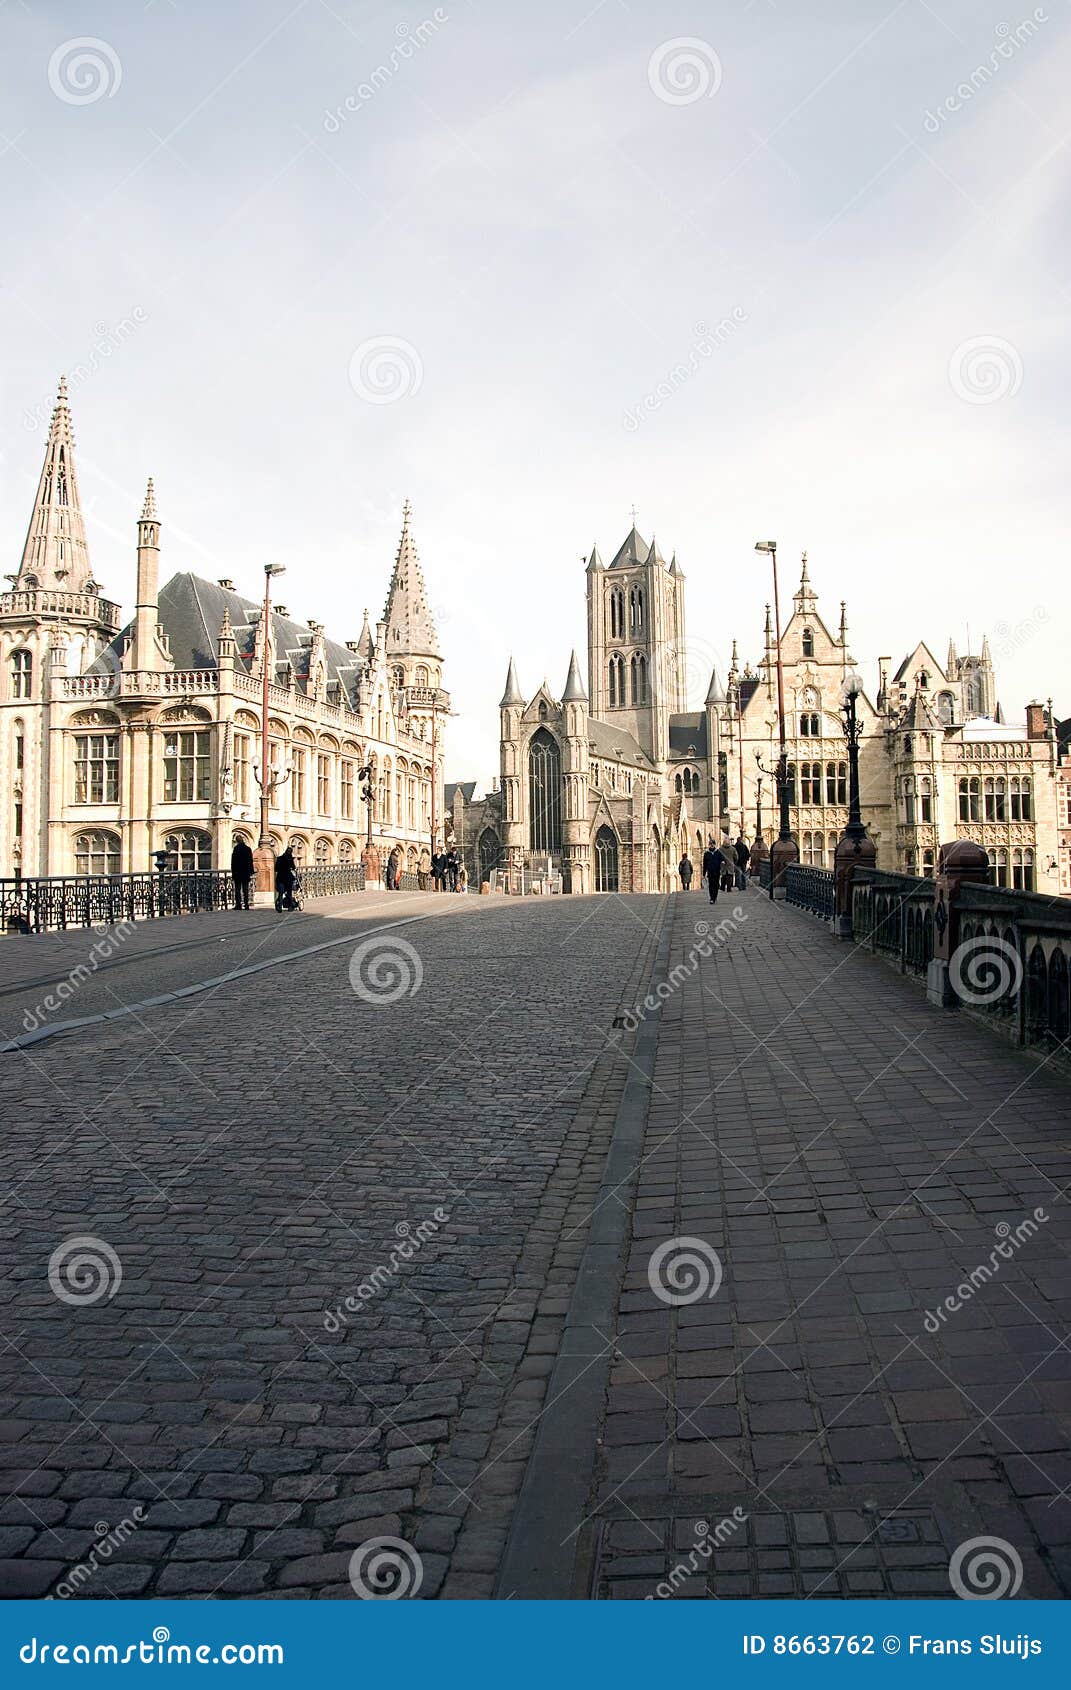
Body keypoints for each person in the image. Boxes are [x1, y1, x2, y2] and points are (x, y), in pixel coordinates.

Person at [230, 837, 254, 910]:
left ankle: (238, 905)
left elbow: (233, 862)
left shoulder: (236, 849)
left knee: (237, 890)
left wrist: (233, 872)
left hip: (238, 872)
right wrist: (251, 871)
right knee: (245, 889)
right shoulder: (248, 849)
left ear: (237, 841)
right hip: (246, 872)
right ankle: (246, 904)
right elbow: (250, 861)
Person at [701, 837, 724, 905]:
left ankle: (715, 897)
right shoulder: (706, 853)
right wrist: (704, 873)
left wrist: (722, 863)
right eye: (710, 844)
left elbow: (721, 860)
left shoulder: (718, 852)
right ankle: (712, 898)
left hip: (717, 871)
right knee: (711, 885)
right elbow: (705, 863)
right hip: (710, 871)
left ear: (714, 844)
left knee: (716, 885)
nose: (711, 845)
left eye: (713, 844)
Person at [274, 845, 297, 912]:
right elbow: (293, 868)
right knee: (289, 893)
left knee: (281, 893)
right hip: (287, 878)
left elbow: (276, 869)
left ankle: (280, 906)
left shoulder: (280, 858)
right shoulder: (290, 859)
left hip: (280, 878)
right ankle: (289, 906)